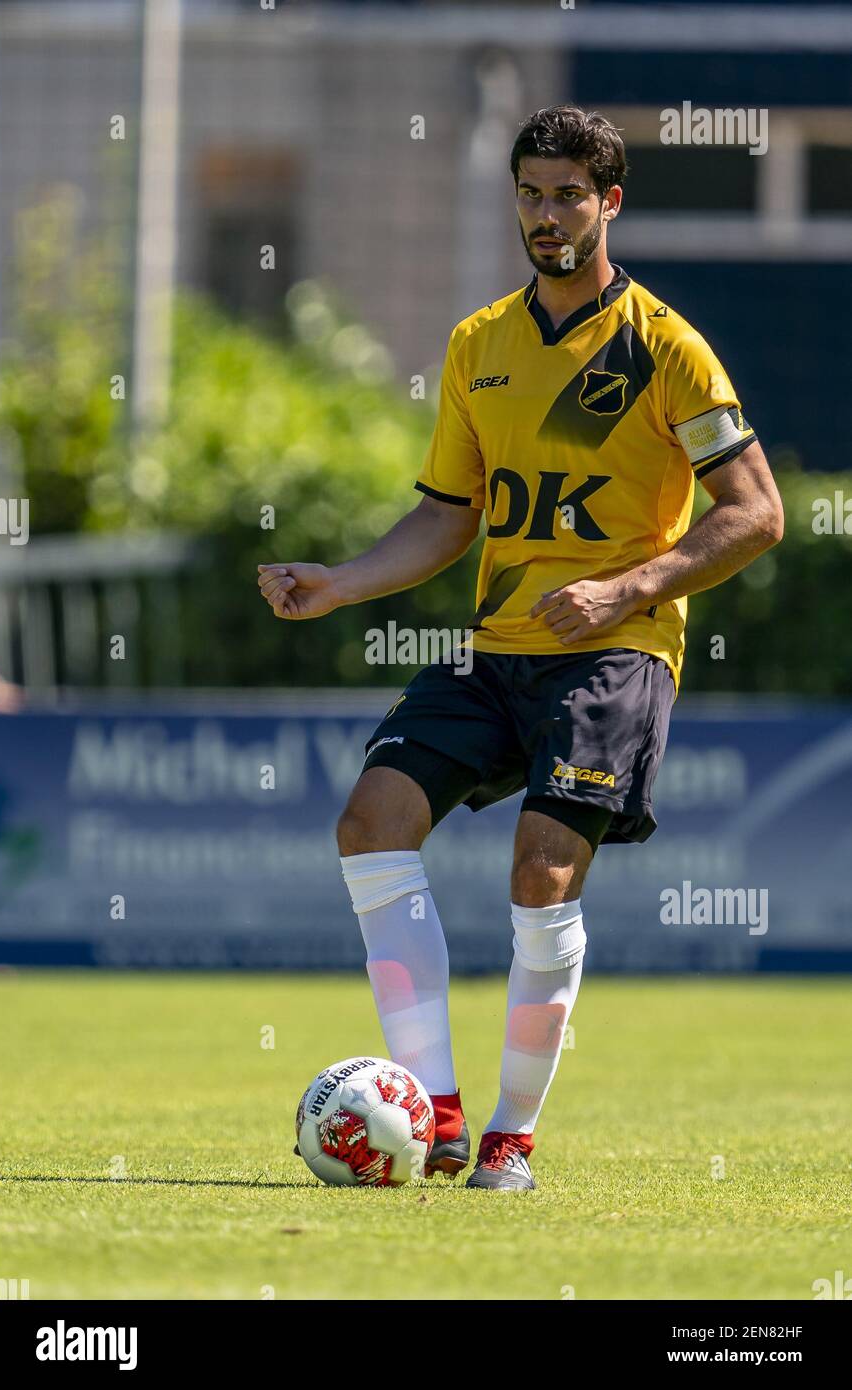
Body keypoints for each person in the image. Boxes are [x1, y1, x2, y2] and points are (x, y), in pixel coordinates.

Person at [258, 105, 784, 1191]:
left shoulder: (665, 349)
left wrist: (628, 588)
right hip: (496, 646)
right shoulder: (476, 344)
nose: (545, 217)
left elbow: (756, 513)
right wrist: (340, 582)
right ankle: (434, 1109)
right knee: (370, 819)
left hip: (615, 651)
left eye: (566, 196)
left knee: (541, 874)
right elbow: (449, 516)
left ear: (608, 204)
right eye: (530, 195)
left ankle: (510, 1136)